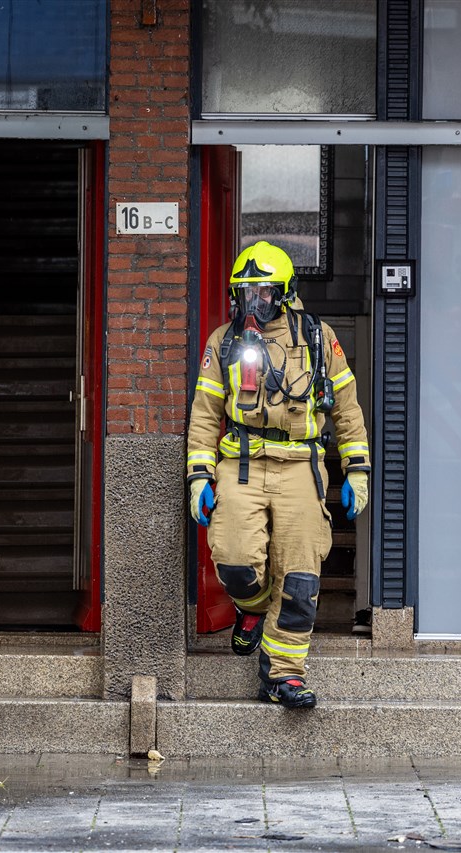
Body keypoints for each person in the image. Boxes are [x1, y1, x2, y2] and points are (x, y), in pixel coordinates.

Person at [186, 241, 371, 709]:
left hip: (300, 468)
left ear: (285, 292)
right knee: (233, 560)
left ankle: (283, 676)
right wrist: (199, 477)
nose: (255, 303)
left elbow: (347, 411)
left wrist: (357, 471)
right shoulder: (223, 342)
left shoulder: (317, 337)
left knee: (301, 581)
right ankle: (251, 608)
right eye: (246, 293)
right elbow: (206, 416)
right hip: (242, 464)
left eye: (264, 292)